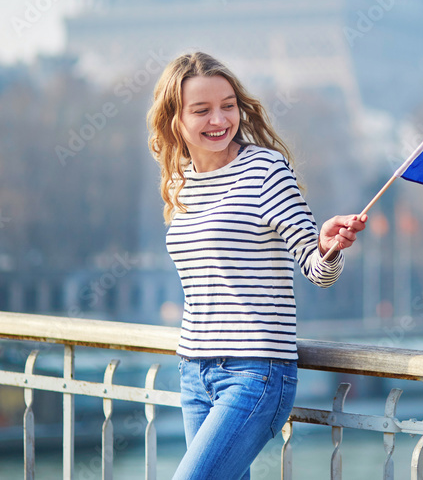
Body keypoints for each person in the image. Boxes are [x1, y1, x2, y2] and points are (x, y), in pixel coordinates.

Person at [146, 51, 366, 479]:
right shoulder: (178, 183)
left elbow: (316, 269)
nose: (219, 120)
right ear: (175, 119)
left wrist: (327, 246)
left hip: (255, 373)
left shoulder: (266, 170)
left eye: (228, 105)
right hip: (193, 370)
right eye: (202, 110)